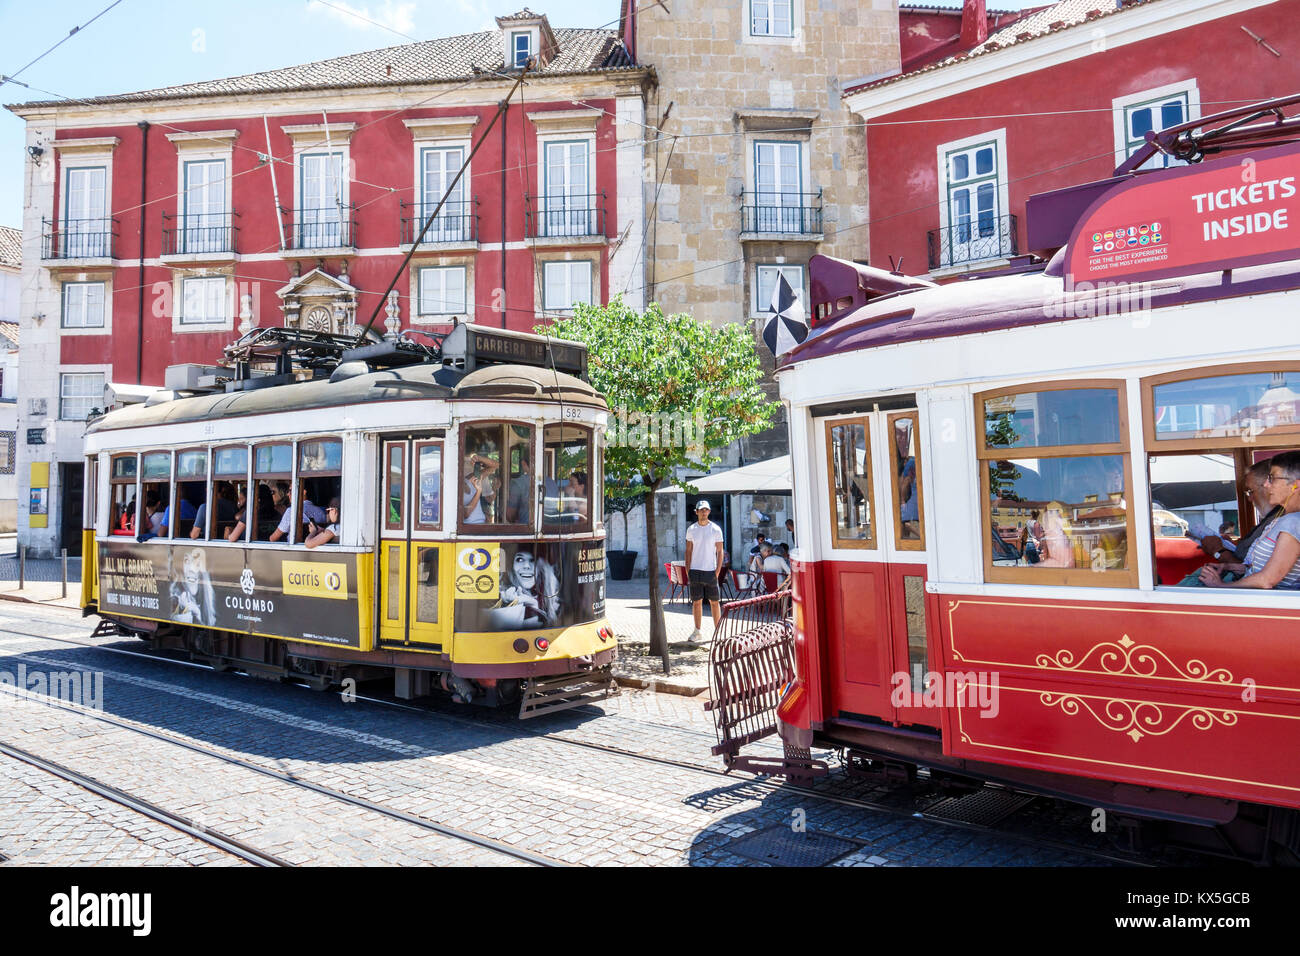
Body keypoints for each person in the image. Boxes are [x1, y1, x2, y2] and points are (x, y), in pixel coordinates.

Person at [1199, 452, 1300, 589]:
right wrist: (1232, 566)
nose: (1266, 484)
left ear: (1295, 485)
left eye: (1272, 478)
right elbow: (1262, 568)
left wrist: (1220, 585)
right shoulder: (1284, 519)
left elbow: (1267, 580)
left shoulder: (1293, 523)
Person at [684, 499, 724, 643]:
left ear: (709, 511)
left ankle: (718, 632)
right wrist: (688, 570)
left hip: (710, 570)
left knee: (715, 602)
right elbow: (688, 550)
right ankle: (697, 631)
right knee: (697, 602)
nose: (703, 512)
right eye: (701, 510)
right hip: (695, 570)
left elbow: (720, 551)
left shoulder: (716, 529)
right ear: (696, 512)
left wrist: (717, 571)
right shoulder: (691, 529)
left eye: (706, 510)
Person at [462, 450, 499, 525]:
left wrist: (479, 458)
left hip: (482, 524)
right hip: (469, 528)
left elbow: (496, 465)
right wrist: (478, 492)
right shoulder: (452, 488)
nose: (468, 467)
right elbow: (466, 513)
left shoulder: (471, 479)